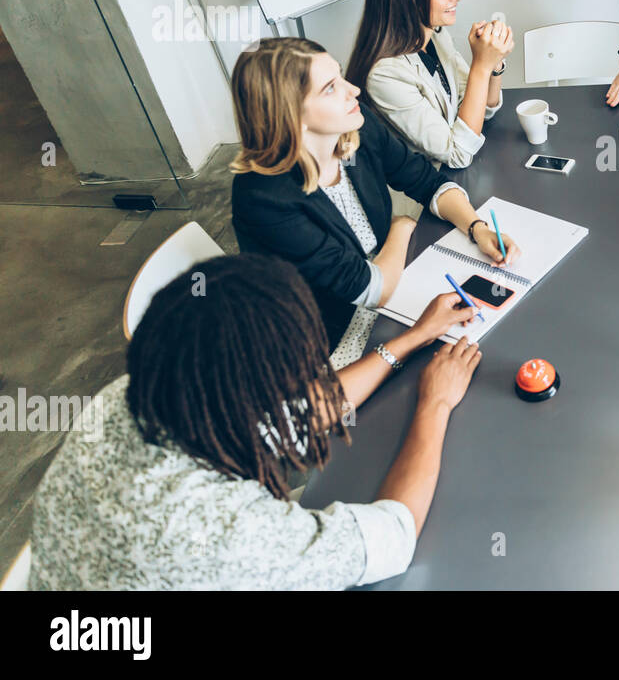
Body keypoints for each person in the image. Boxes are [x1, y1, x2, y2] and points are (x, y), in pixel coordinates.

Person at [29, 254, 481, 589]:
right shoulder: (230, 537)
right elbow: (393, 538)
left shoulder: (138, 396)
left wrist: (411, 339)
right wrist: (434, 403)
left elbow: (307, 409)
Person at [230, 36, 518, 369]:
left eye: (340, 76)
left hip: (390, 291)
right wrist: (403, 225)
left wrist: (476, 227)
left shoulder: (354, 127)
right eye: (329, 88)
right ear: (289, 112)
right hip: (328, 342)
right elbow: (370, 288)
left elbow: (424, 179)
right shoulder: (262, 197)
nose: (352, 90)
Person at [346, 0, 513, 169]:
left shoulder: (436, 36)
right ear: (407, 0)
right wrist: (481, 66)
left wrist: (494, 63)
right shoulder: (384, 75)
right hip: (428, 192)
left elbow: (482, 109)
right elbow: (458, 154)